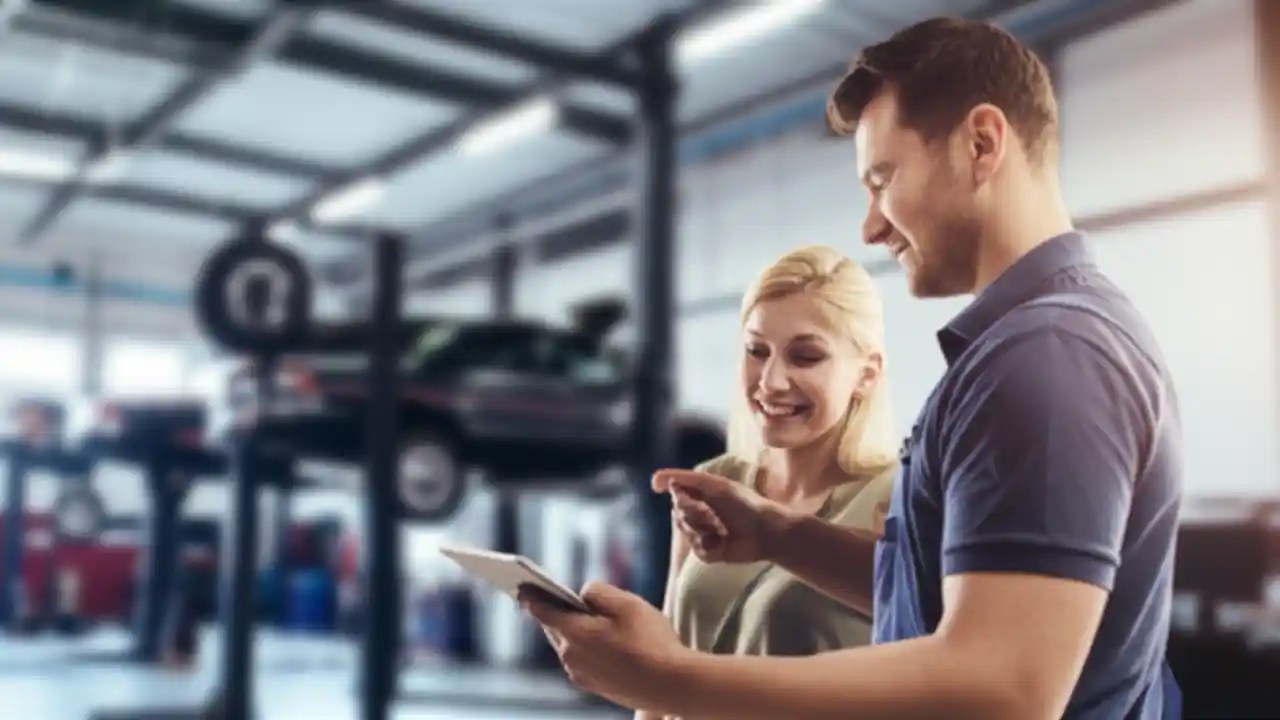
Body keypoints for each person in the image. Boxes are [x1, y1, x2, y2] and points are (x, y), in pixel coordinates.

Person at [520, 16, 1183, 720]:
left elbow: (1005, 689)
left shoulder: (1049, 358)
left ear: (982, 144)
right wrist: (779, 533)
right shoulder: (1032, 344)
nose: (870, 226)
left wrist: (665, 679)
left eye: (882, 179)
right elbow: (940, 596)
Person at [636, 245, 898, 719]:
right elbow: (664, 675)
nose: (771, 381)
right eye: (757, 351)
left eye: (806, 356)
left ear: (867, 373)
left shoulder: (899, 500)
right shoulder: (715, 483)